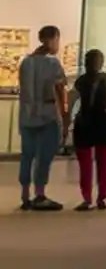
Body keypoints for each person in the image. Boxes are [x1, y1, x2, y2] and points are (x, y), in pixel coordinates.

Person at [18, 25, 69, 211]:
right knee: (44, 156)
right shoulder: (52, 63)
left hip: (26, 116)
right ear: (53, 38)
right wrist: (64, 117)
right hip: (47, 116)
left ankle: (24, 194)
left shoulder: (26, 62)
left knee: (27, 155)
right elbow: (60, 90)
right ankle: (40, 194)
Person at [72, 49, 106, 211]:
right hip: (101, 123)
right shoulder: (105, 79)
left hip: (85, 123)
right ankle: (100, 197)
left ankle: (88, 197)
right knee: (101, 162)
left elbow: (75, 99)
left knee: (87, 163)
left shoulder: (81, 81)